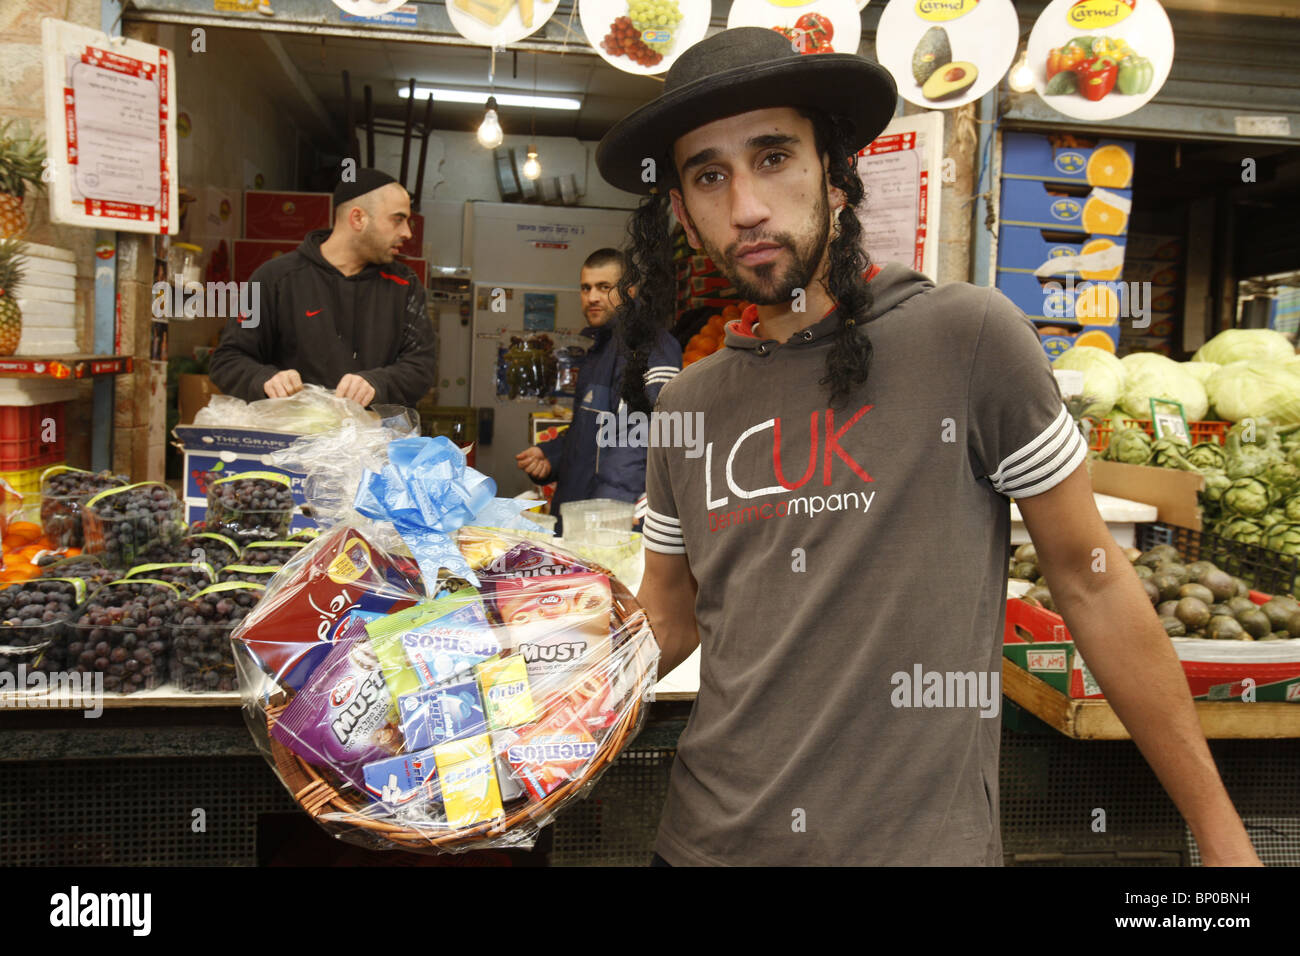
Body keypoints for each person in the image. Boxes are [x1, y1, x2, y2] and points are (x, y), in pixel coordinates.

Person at [597, 28, 1261, 867]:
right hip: (703, 847)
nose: (747, 207)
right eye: (709, 175)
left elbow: (1092, 585)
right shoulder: (690, 403)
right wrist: (529, 709)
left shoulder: (968, 338)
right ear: (686, 218)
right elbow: (667, 615)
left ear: (837, 176)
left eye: (774, 157)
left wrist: (1222, 837)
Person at [209, 168, 437, 408]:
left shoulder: (406, 285)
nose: (407, 233)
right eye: (398, 219)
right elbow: (227, 360)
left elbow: (421, 368)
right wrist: (265, 379)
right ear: (358, 218)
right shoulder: (272, 278)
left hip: (375, 440)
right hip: (291, 440)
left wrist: (377, 383)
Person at [514, 249, 681, 533]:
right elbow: (594, 433)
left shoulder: (649, 348)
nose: (592, 297)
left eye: (604, 287)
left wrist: (607, 520)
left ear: (629, 291)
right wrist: (551, 456)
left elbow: (642, 439)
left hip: (610, 529)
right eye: (585, 288)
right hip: (582, 522)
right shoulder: (601, 350)